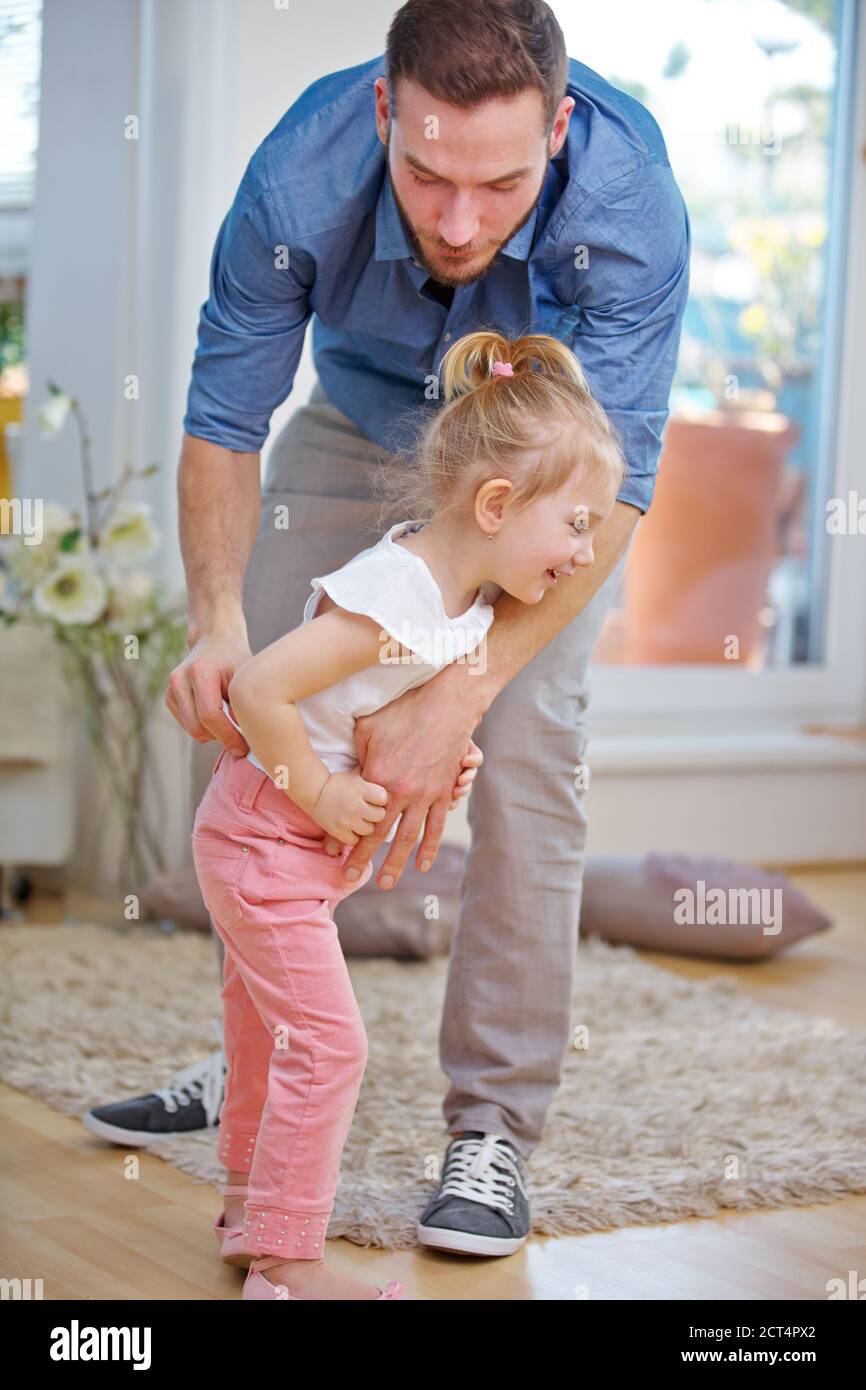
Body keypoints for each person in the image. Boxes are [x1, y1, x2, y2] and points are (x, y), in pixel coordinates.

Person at [85, 0, 690, 1258]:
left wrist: (457, 688)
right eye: (425, 174)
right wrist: (212, 624)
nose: (460, 223)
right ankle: (261, 1047)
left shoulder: (629, 203)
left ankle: (492, 1131)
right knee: (251, 704)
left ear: (560, 131)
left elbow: (615, 487)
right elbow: (225, 415)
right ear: (379, 113)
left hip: (542, 490)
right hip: (356, 429)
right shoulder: (297, 177)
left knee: (529, 757)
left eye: (501, 183)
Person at [194, 329, 626, 1300]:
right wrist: (317, 787)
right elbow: (259, 688)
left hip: (293, 853)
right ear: (495, 504)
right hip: (265, 838)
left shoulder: (462, 599)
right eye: (576, 526)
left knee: (267, 1032)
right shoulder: (394, 592)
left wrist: (446, 746)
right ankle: (289, 1261)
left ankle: (246, 1214)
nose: (585, 553)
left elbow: (369, 698)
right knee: (329, 1045)